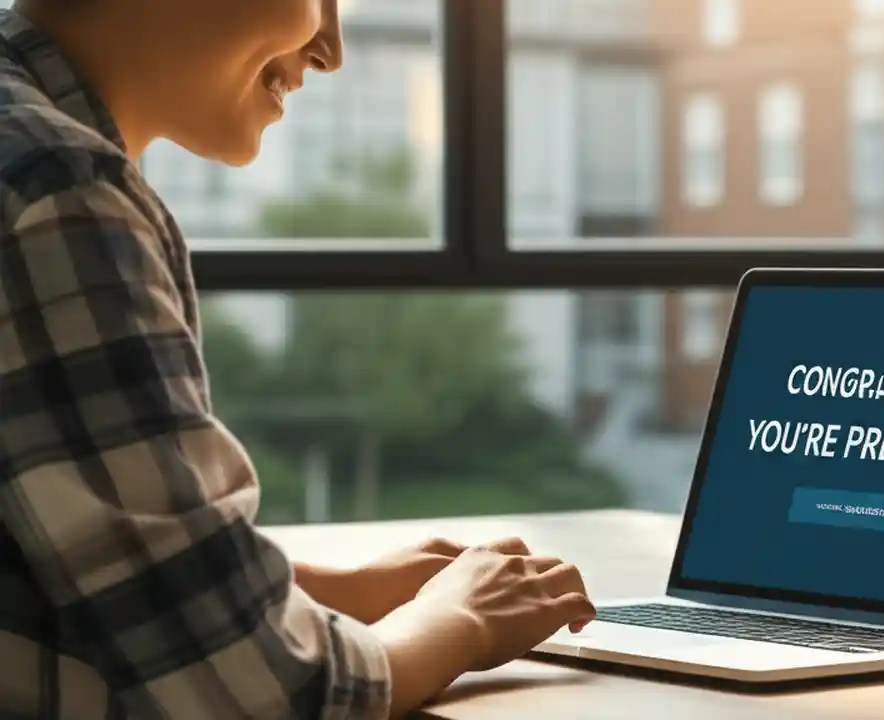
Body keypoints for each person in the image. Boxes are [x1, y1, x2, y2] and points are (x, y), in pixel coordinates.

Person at [0, 0, 596, 716]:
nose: (330, 48)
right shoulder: (55, 191)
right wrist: (460, 619)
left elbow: (39, 565)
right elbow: (256, 692)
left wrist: (321, 591)